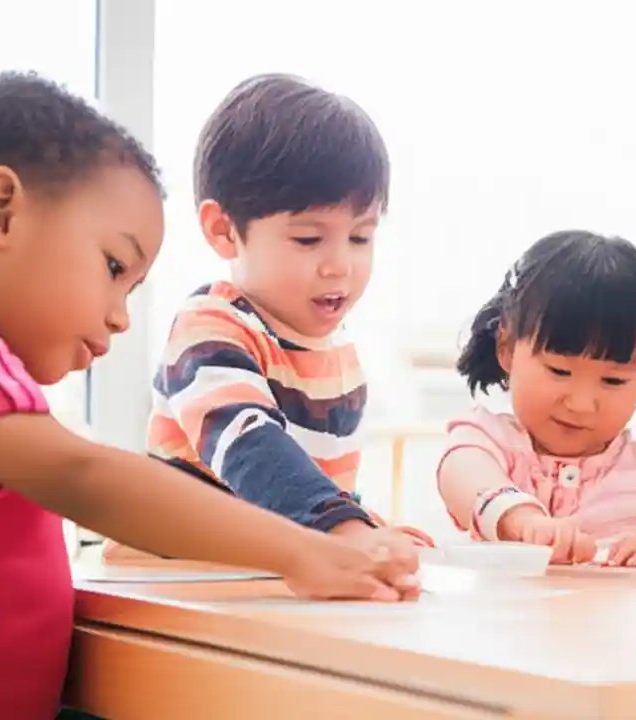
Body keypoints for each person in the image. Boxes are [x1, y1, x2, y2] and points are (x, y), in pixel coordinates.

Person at [0, 72, 418, 720]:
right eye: (113, 267)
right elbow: (87, 477)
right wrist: (305, 549)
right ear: (0, 210)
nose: (122, 317)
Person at [135, 73, 431, 561]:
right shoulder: (210, 329)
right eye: (308, 239)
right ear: (224, 230)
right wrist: (346, 532)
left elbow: (312, 485)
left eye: (360, 237)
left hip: (267, 572)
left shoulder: (334, 348)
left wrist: (366, 523)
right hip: (176, 579)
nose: (339, 264)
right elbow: (253, 447)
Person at [438, 231, 636, 567]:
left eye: (613, 380)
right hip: (512, 618)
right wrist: (523, 521)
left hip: (625, 619)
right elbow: (464, 478)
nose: (581, 404)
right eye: (559, 371)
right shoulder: (485, 436)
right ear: (506, 347)